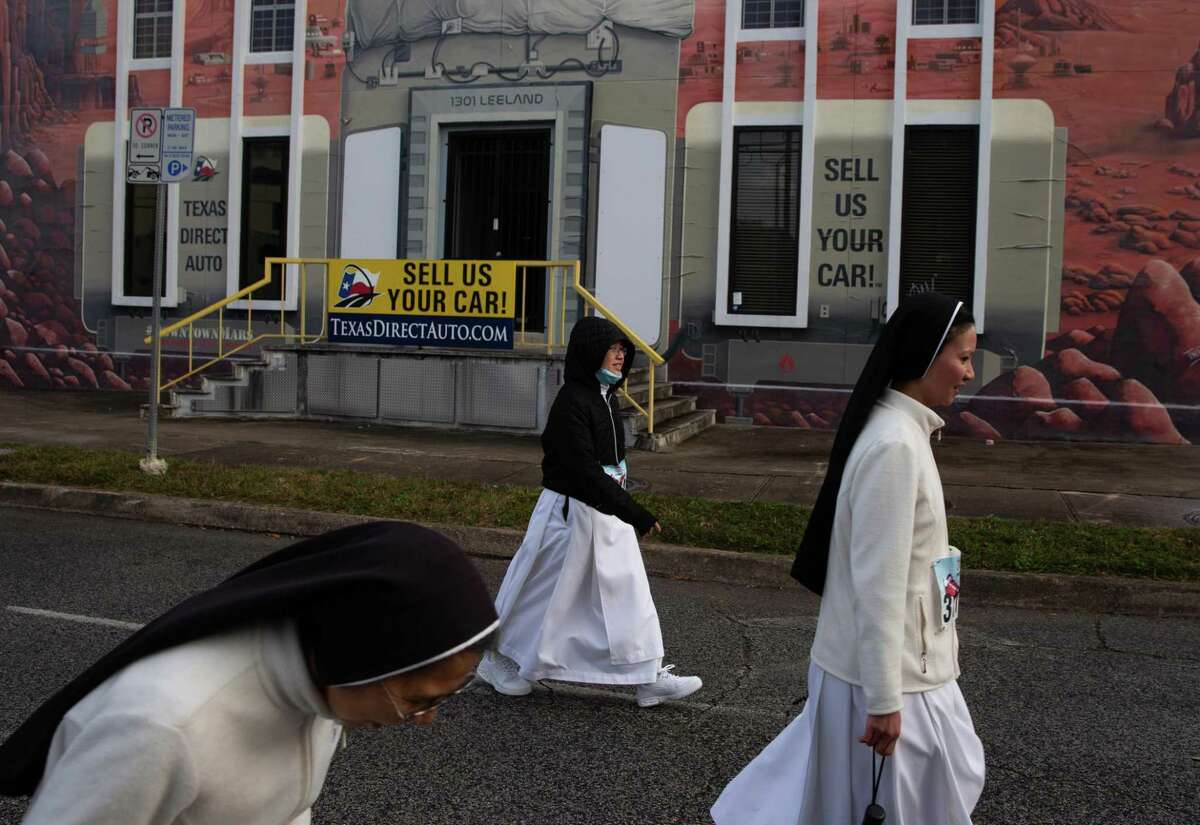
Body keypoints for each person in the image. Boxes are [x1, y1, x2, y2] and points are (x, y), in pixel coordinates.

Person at [0, 522, 499, 825]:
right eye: (418, 700)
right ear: (362, 659)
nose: (424, 720)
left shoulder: (319, 683)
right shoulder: (157, 729)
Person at [712, 292, 986, 824]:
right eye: (964, 357)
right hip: (889, 680)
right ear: (926, 357)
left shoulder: (904, 432)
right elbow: (878, 584)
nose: (970, 373)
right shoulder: (895, 448)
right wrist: (884, 700)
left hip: (899, 669)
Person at [475, 316, 702, 707]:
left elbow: (609, 466)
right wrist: (635, 512)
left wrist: (622, 507)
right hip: (569, 514)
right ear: (590, 352)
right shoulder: (572, 402)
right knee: (540, 592)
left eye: (622, 351)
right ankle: (494, 657)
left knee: (628, 590)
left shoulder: (605, 396)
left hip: (605, 511)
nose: (620, 356)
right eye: (613, 349)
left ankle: (647, 675)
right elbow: (582, 470)